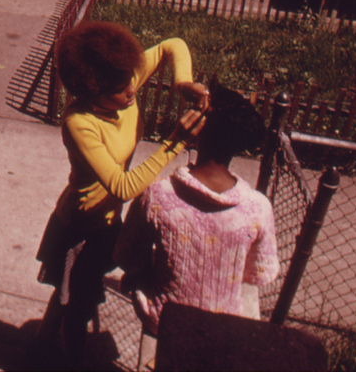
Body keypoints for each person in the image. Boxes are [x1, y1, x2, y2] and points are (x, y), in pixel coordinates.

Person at [32, 21, 210, 368]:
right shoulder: (79, 122)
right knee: (78, 309)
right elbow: (123, 186)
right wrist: (175, 143)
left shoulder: (120, 80)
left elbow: (173, 42)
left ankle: (39, 346)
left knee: (69, 295)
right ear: (92, 92)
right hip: (81, 230)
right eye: (121, 87)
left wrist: (183, 81)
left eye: (132, 78)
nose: (132, 89)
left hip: (108, 222)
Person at [113, 80, 279, 336]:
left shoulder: (157, 196)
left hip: (165, 322)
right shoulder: (258, 208)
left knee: (134, 278)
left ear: (196, 128)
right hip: (222, 326)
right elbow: (257, 274)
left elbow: (126, 256)